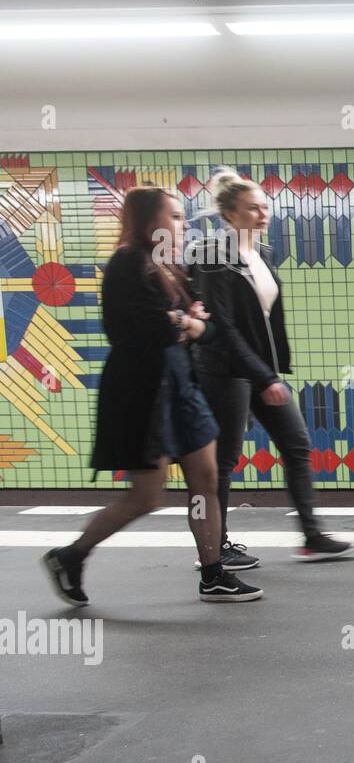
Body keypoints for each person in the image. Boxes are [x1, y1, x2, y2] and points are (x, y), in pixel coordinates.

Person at [42, 187, 263, 605]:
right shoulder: (129, 264)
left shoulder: (170, 269)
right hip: (142, 391)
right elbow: (155, 328)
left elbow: (206, 327)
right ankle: (71, 555)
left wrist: (185, 322)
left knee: (206, 477)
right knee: (147, 496)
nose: (183, 226)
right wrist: (185, 322)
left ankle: (213, 572)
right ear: (149, 224)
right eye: (175, 217)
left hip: (180, 385)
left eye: (183, 217)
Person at [189, 168, 354, 565]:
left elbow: (263, 319)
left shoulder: (260, 253)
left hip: (259, 370)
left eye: (265, 207)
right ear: (230, 214)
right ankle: (216, 547)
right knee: (223, 462)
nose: (263, 215)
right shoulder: (211, 254)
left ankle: (312, 535)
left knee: (296, 444)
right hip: (225, 370)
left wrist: (269, 370)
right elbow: (223, 326)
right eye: (252, 209)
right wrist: (264, 376)